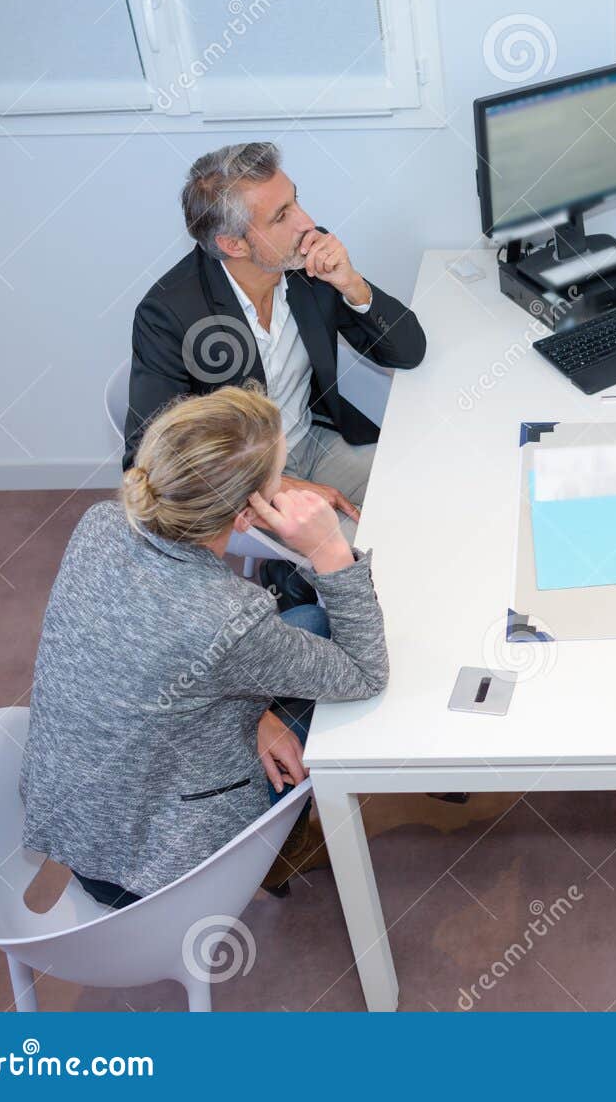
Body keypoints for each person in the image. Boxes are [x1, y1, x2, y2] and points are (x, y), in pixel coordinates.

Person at [22, 384, 388, 906]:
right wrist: (329, 548)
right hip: (161, 873)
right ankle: (280, 851)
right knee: (334, 645)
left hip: (81, 836)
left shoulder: (100, 523)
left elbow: (144, 659)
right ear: (247, 512)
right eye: (279, 477)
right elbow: (367, 671)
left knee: (304, 619)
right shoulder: (228, 616)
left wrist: (254, 714)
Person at [124, 141, 426, 602]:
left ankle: (298, 576)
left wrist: (351, 284)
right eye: (282, 215)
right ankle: (292, 581)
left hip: (316, 438)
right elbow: (146, 460)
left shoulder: (306, 263)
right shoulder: (169, 313)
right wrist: (275, 483)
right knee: (371, 572)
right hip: (245, 481)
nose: (306, 223)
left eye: (296, 200)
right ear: (232, 244)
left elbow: (409, 352)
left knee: (423, 492)